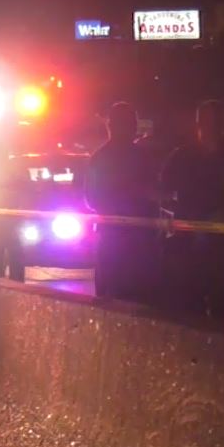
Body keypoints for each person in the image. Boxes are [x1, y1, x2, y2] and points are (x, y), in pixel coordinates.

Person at [157, 99, 224, 320]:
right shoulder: (181, 158)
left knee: (222, 311)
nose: (212, 128)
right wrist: (183, 214)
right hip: (187, 245)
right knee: (189, 311)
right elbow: (163, 193)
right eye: (207, 122)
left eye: (217, 123)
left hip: (220, 245)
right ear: (199, 124)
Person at [83, 102, 157, 300]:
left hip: (133, 239)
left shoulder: (141, 156)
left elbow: (91, 199)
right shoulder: (102, 158)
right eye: (126, 124)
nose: (130, 129)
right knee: (115, 298)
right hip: (117, 238)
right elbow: (93, 198)